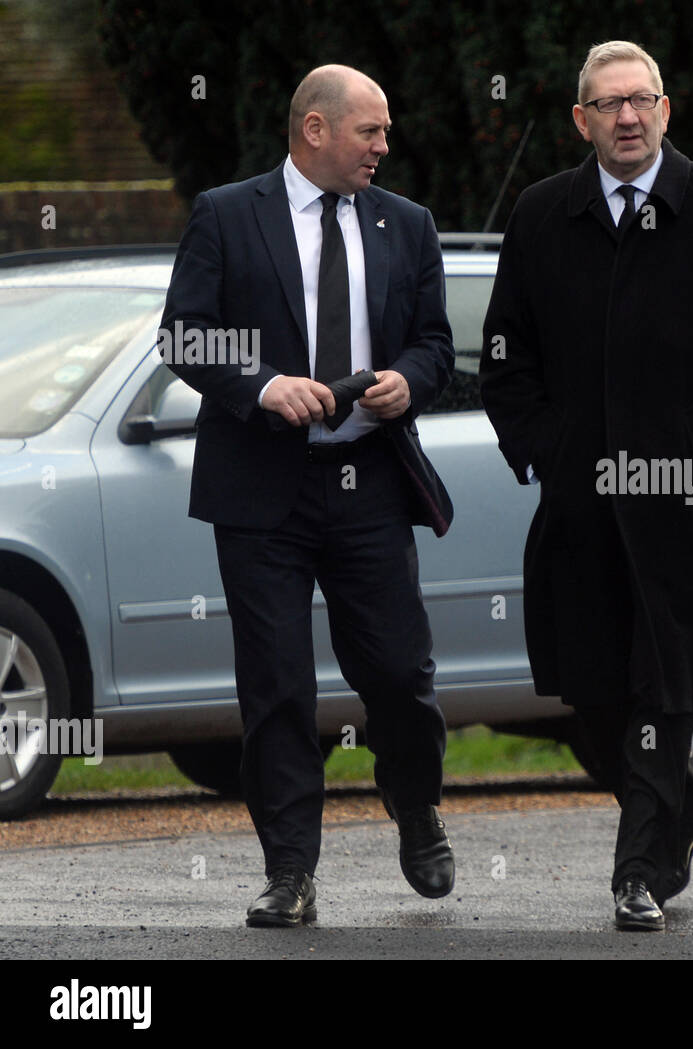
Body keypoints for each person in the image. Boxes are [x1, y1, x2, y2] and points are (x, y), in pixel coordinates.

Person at [479, 40, 693, 931]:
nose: (626, 117)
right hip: (579, 509)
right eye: (608, 104)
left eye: (641, 100)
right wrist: (547, 449)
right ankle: (684, 808)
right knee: (598, 688)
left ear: (665, 109)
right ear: (582, 120)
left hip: (684, 508)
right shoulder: (544, 214)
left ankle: (640, 867)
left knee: (666, 684)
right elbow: (506, 357)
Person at [161, 64, 456, 927]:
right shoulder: (226, 212)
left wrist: (409, 377)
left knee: (400, 675)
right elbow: (184, 334)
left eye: (387, 130)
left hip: (370, 484)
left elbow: (436, 342)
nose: (384, 146)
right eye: (370, 130)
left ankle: (416, 802)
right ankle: (290, 870)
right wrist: (260, 385)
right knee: (279, 687)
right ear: (316, 131)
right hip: (261, 490)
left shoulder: (406, 223)